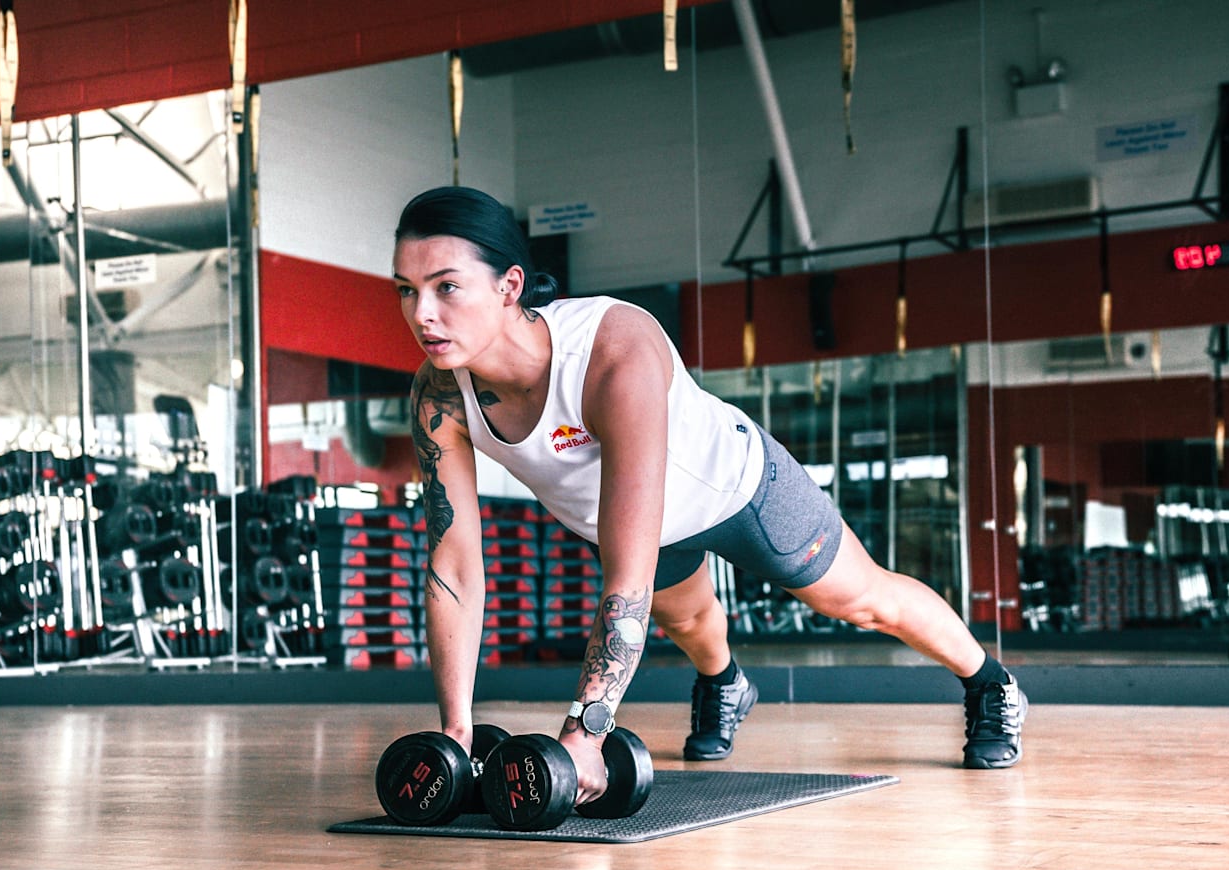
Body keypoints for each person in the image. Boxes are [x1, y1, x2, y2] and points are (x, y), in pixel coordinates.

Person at [393, 186, 1027, 806]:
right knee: (689, 623)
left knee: (863, 601)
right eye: (407, 290)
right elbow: (455, 566)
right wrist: (457, 735)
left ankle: (991, 684)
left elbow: (628, 577)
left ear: (509, 285)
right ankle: (726, 684)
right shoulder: (439, 395)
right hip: (635, 526)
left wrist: (586, 734)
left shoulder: (612, 348)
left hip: (739, 489)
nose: (422, 314)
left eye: (446, 287)